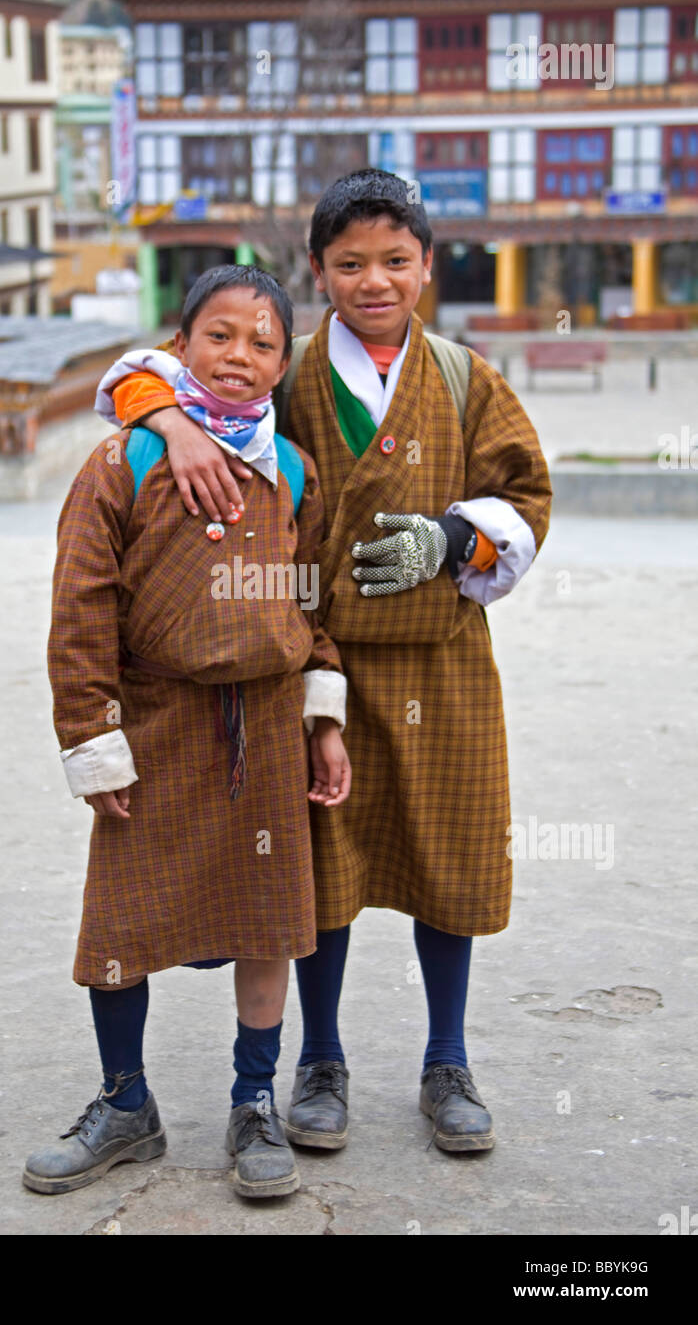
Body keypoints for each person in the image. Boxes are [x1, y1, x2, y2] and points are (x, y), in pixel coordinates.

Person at [110, 170, 553, 1156]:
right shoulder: (284, 370)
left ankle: (446, 1057)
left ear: (426, 268)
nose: (373, 280)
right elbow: (152, 372)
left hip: (443, 664)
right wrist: (174, 423)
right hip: (323, 669)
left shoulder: (462, 377)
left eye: (395, 260)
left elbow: (523, 497)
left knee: (450, 859)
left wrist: (452, 538)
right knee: (323, 871)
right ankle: (320, 1057)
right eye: (348, 262)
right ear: (315, 272)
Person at [23, 265, 351, 1200]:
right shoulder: (123, 461)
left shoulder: (292, 469)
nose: (240, 356)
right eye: (219, 335)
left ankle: (255, 1103)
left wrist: (324, 721)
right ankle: (125, 1104)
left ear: (283, 363)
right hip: (158, 726)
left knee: (269, 924)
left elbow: (312, 597)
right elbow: (79, 606)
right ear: (178, 346)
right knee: (121, 923)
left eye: (263, 342)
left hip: (270, 730)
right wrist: (93, 738)